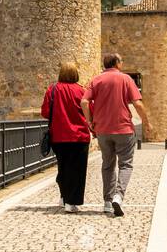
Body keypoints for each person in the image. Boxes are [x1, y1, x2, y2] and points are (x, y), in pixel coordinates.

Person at [81, 52, 152, 217]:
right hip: (123, 129)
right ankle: (118, 196)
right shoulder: (126, 79)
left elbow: (84, 101)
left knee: (107, 164)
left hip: (103, 130)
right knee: (125, 165)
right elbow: (138, 103)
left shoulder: (96, 80)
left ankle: (107, 202)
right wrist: (146, 122)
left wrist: (89, 121)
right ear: (117, 63)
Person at [41, 62, 92, 212]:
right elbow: (90, 110)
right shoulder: (81, 91)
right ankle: (71, 202)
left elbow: (45, 112)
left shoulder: (52, 90)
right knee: (77, 169)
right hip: (79, 136)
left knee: (62, 167)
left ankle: (63, 197)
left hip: (58, 136)